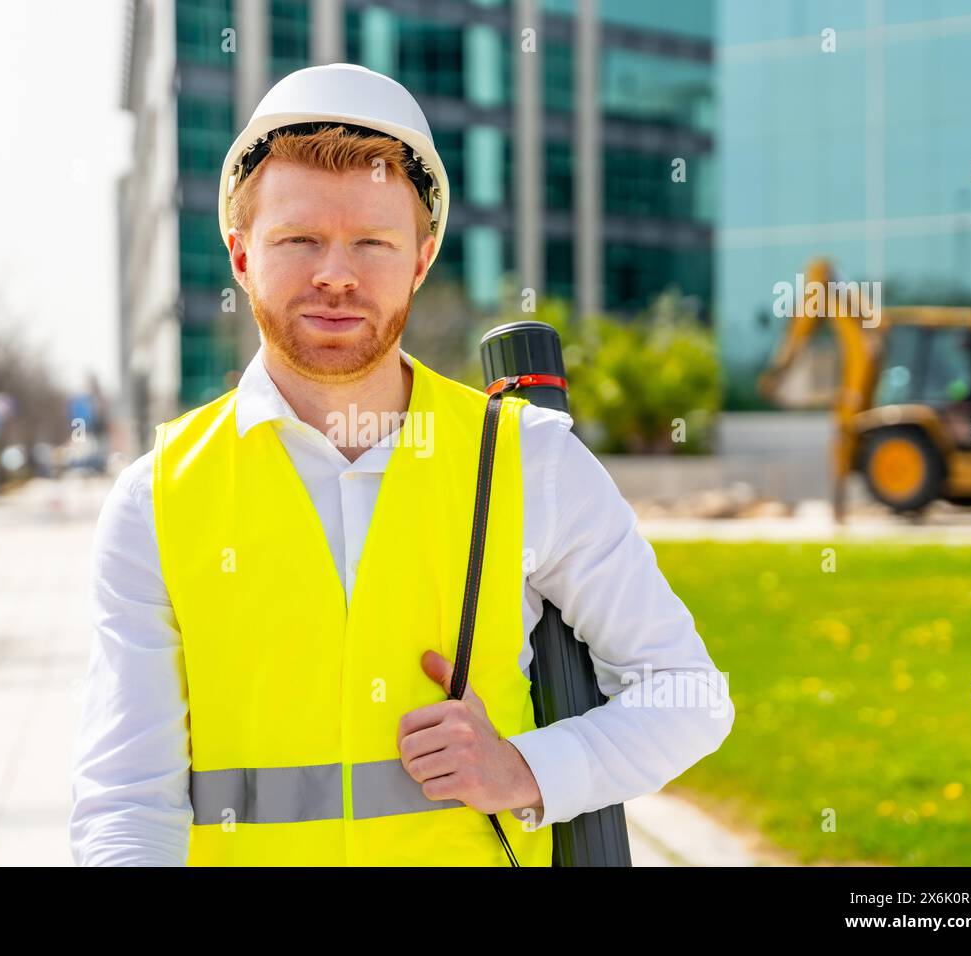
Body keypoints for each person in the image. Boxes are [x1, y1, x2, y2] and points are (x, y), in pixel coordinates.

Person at [70, 63, 733, 866]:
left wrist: (525, 769)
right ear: (242, 257)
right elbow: (126, 805)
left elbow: (689, 695)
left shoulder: (525, 459)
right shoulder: (157, 499)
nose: (337, 274)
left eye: (373, 243)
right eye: (300, 239)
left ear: (420, 261)